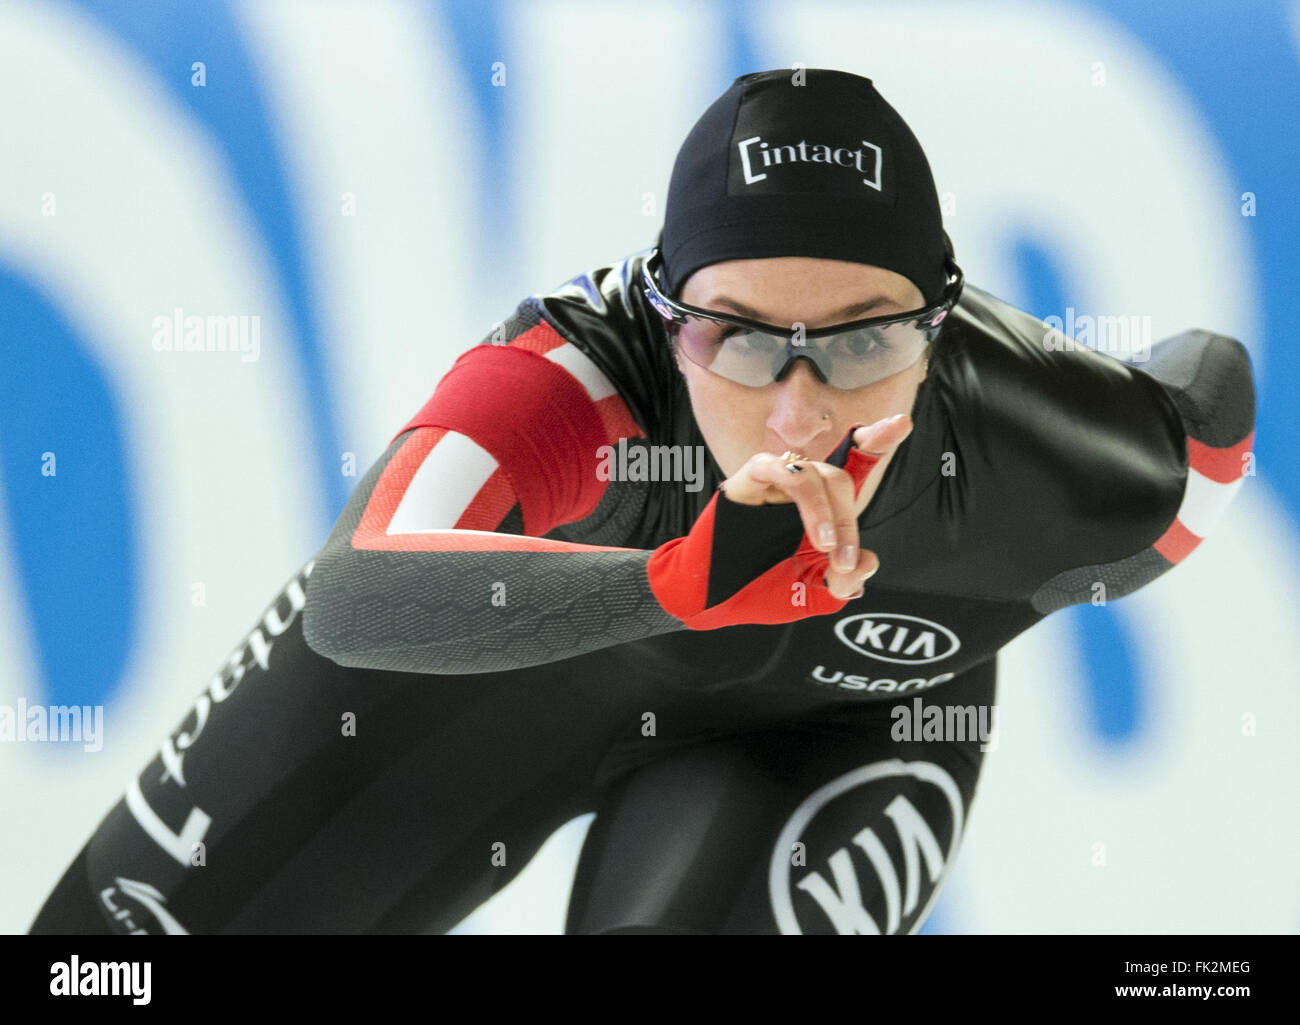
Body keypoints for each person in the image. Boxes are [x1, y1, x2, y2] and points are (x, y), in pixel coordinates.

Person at [29, 68, 1254, 935]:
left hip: (827, 722)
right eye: (734, 338)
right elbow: (355, 593)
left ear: (940, 328)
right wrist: (672, 585)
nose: (797, 409)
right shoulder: (571, 379)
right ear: (661, 324)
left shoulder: (1072, 457)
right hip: (461, 678)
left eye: (864, 339)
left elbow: (1205, 412)